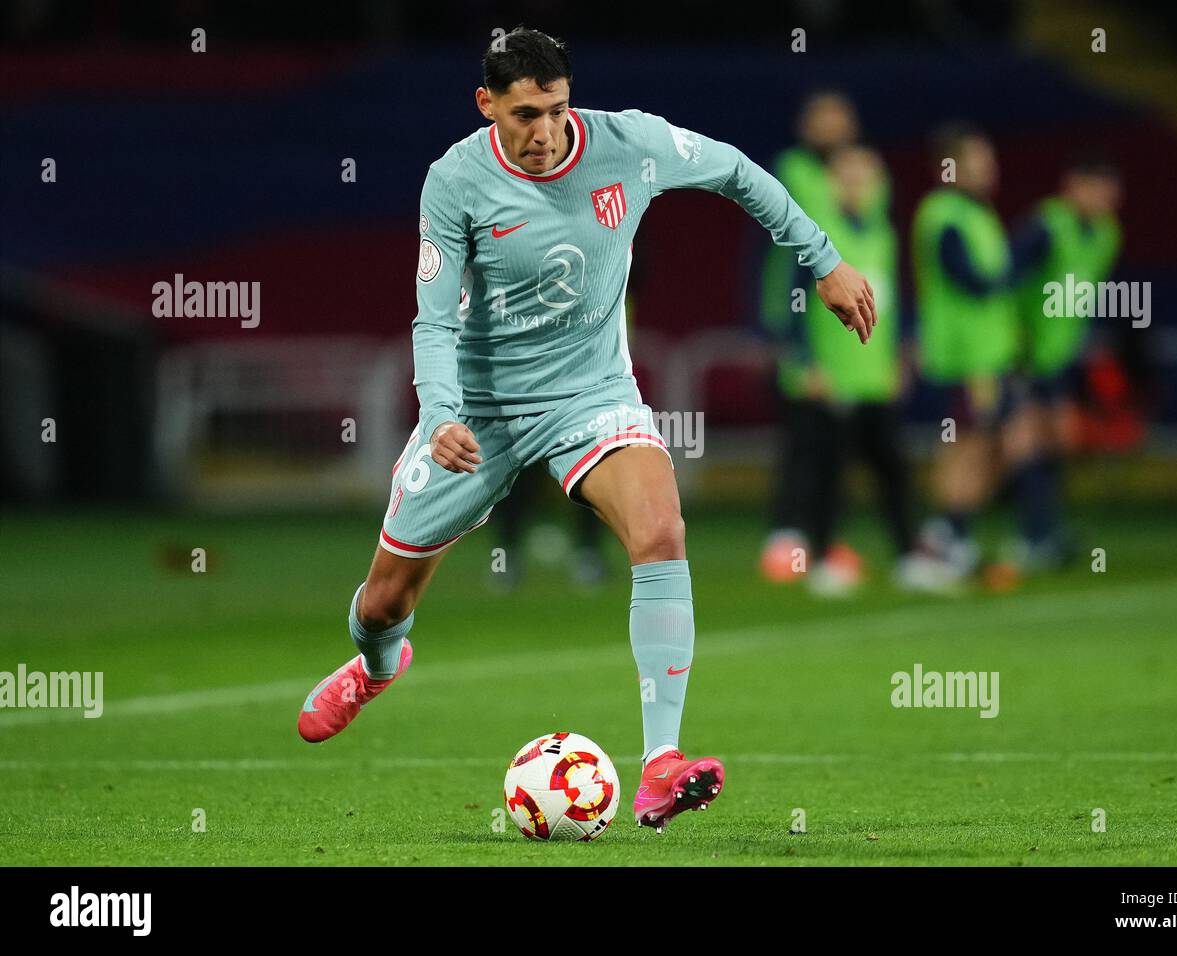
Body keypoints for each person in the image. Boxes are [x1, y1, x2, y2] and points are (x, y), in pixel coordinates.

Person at [294, 28, 877, 833]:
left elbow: (738, 172)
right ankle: (376, 663)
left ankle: (661, 764)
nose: (544, 133)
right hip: (481, 409)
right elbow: (432, 322)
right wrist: (440, 414)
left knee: (662, 528)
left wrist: (824, 258)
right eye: (525, 114)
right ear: (487, 103)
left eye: (557, 110)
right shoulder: (456, 179)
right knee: (386, 599)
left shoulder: (629, 143)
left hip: (590, 396)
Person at [760, 94, 919, 596]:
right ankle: (817, 554)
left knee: (890, 469)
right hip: (830, 374)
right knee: (820, 467)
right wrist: (803, 359)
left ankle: (910, 555)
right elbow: (792, 296)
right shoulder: (816, 238)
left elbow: (894, 298)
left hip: (872, 374)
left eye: (866, 178)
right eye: (848, 177)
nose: (858, 185)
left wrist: (899, 354)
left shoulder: (882, 234)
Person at [898, 123, 1018, 589]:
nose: (988, 169)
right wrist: (1021, 264)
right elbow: (971, 280)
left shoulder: (976, 213)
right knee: (966, 445)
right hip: (966, 358)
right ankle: (940, 540)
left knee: (992, 444)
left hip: (991, 355)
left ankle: (954, 535)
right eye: (976, 160)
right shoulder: (945, 214)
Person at [1003, 155, 1123, 570]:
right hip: (1024, 354)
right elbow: (1008, 280)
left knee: (1056, 441)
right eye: (1094, 187)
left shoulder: (1107, 234)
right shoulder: (1045, 226)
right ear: (1072, 186)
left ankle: (1042, 534)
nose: (1102, 198)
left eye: (1108, 190)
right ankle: (1029, 537)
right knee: (1026, 443)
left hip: (1062, 355)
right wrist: (1015, 342)